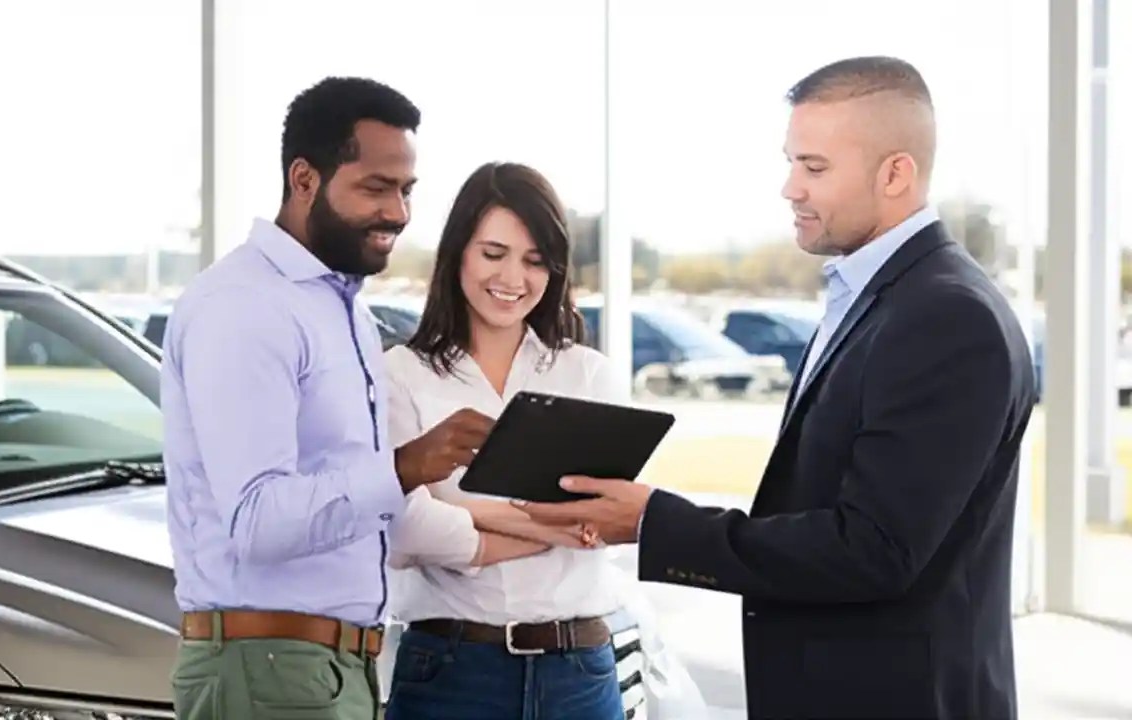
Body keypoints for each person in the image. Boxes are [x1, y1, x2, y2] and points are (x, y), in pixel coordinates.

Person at [515, 56, 1036, 720]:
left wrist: (652, 521)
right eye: (791, 162)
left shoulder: (945, 316)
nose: (790, 187)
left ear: (896, 173)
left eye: (814, 167)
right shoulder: (884, 297)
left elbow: (874, 550)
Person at [161, 76, 491, 720]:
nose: (398, 212)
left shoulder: (342, 312)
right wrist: (405, 465)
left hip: (333, 670)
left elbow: (361, 507)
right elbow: (256, 521)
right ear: (304, 179)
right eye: (375, 187)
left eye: (405, 190)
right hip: (269, 672)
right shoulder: (245, 306)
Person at [381, 161, 627, 720]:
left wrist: (459, 504)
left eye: (534, 261)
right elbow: (401, 528)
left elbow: (603, 525)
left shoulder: (587, 375)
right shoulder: (400, 374)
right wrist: (546, 526)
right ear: (458, 253)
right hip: (450, 669)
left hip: (578, 672)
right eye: (494, 253)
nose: (513, 279)